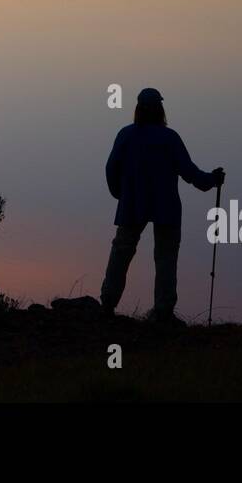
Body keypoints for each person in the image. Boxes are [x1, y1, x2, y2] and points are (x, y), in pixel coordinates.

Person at [99, 87, 225, 322]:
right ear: (160, 110)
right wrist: (211, 180)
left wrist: (121, 195)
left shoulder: (125, 135)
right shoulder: (169, 138)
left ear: (138, 109)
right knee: (166, 257)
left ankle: (108, 303)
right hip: (165, 206)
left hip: (133, 204)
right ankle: (163, 310)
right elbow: (190, 173)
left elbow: (110, 169)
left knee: (121, 252)